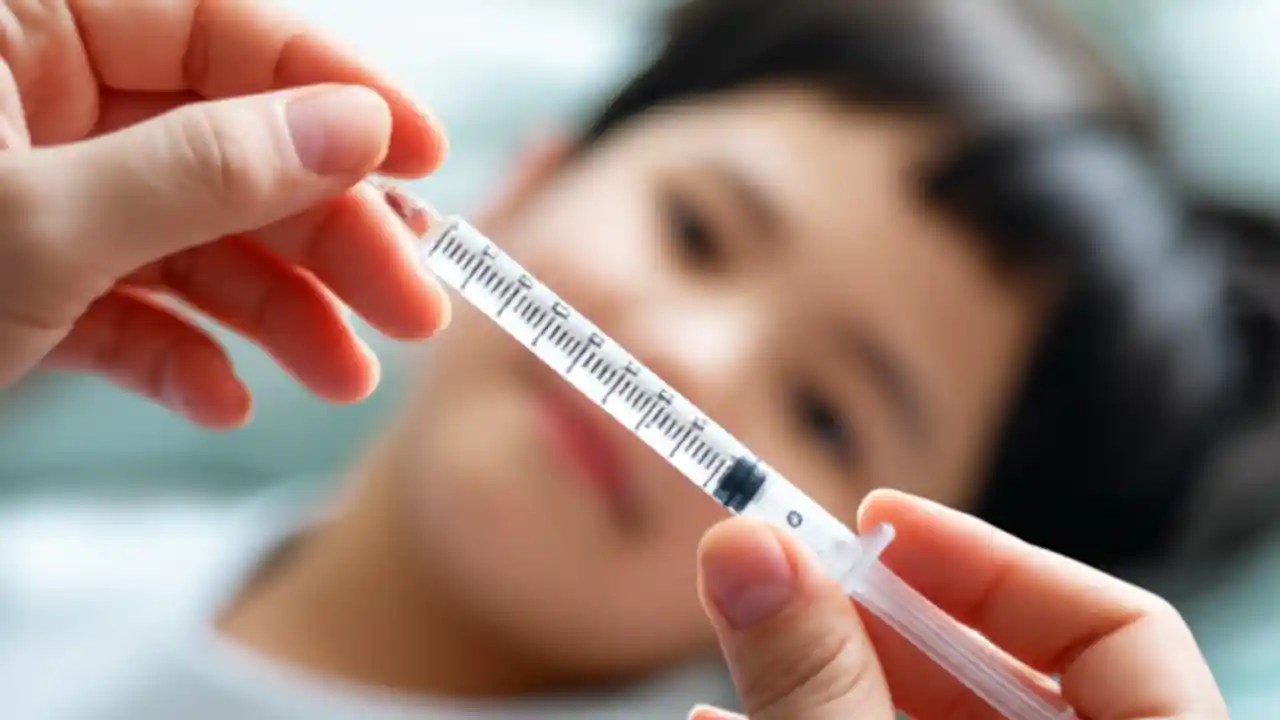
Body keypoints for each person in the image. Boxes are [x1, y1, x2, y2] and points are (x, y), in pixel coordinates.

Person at [0, 0, 1269, 717]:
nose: (684, 353)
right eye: (696, 229)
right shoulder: (64, 550)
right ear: (538, 174)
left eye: (826, 416)